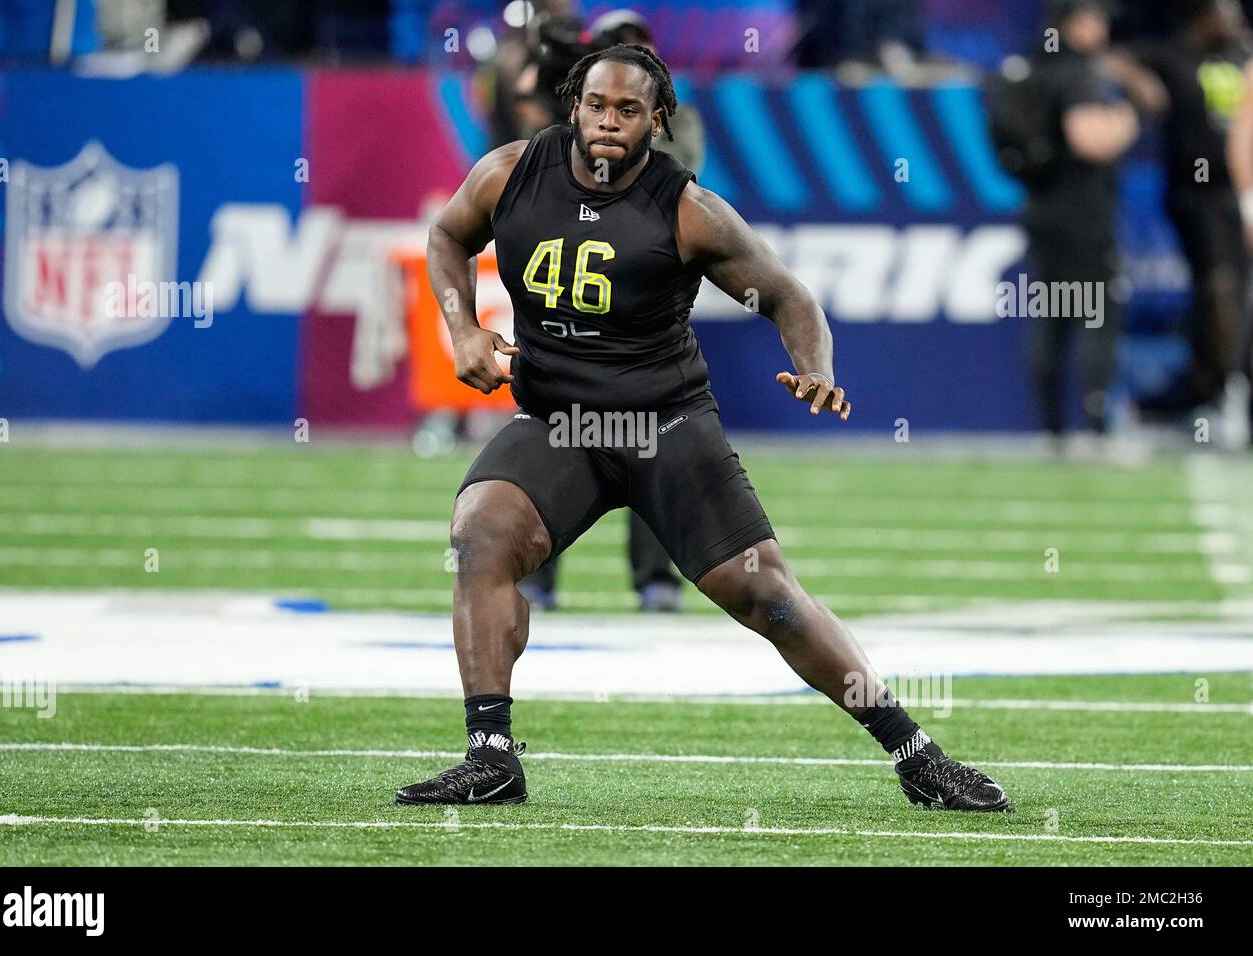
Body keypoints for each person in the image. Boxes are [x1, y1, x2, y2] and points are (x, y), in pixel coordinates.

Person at [395, 43, 1009, 812]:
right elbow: (448, 238)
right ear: (572, 106)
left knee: (769, 600)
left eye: (628, 110)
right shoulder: (509, 172)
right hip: (560, 423)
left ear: (658, 121)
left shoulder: (686, 208)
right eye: (596, 106)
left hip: (664, 424)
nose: (609, 123)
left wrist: (815, 366)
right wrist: (463, 330)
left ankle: (917, 754)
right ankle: (491, 756)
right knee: (479, 536)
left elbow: (790, 296)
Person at [517, 9, 703, 613]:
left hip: (640, 313)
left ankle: (655, 580)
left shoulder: (672, 121)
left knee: (651, 443)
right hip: (567, 321)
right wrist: (553, 80)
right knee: (550, 445)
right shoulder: (570, 108)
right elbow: (526, 142)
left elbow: (684, 174)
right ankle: (537, 575)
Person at [1020, 0, 1142, 442]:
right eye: (1095, 19)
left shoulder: (1035, 66)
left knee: (1053, 316)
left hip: (1043, 210)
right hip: (1083, 216)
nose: (1103, 26)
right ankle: (1096, 425)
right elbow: (1089, 139)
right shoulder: (1076, 73)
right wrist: (1127, 120)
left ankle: (1052, 428)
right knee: (1097, 316)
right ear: (1075, 24)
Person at [1141, 0, 1252, 445]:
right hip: (1205, 198)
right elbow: (1242, 138)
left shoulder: (1241, 55)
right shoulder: (1174, 55)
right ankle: (1218, 394)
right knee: (1221, 294)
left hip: (1231, 197)